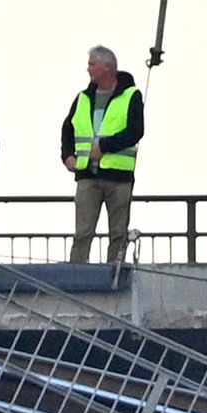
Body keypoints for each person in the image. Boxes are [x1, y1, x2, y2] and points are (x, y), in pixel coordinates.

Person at [60, 44, 145, 265]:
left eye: (92, 64)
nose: (88, 69)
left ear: (107, 68)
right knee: (83, 232)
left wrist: (105, 146)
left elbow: (136, 131)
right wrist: (67, 155)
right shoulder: (83, 98)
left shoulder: (130, 95)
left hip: (118, 176)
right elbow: (67, 128)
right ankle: (77, 272)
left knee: (118, 231)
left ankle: (114, 271)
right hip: (88, 174)